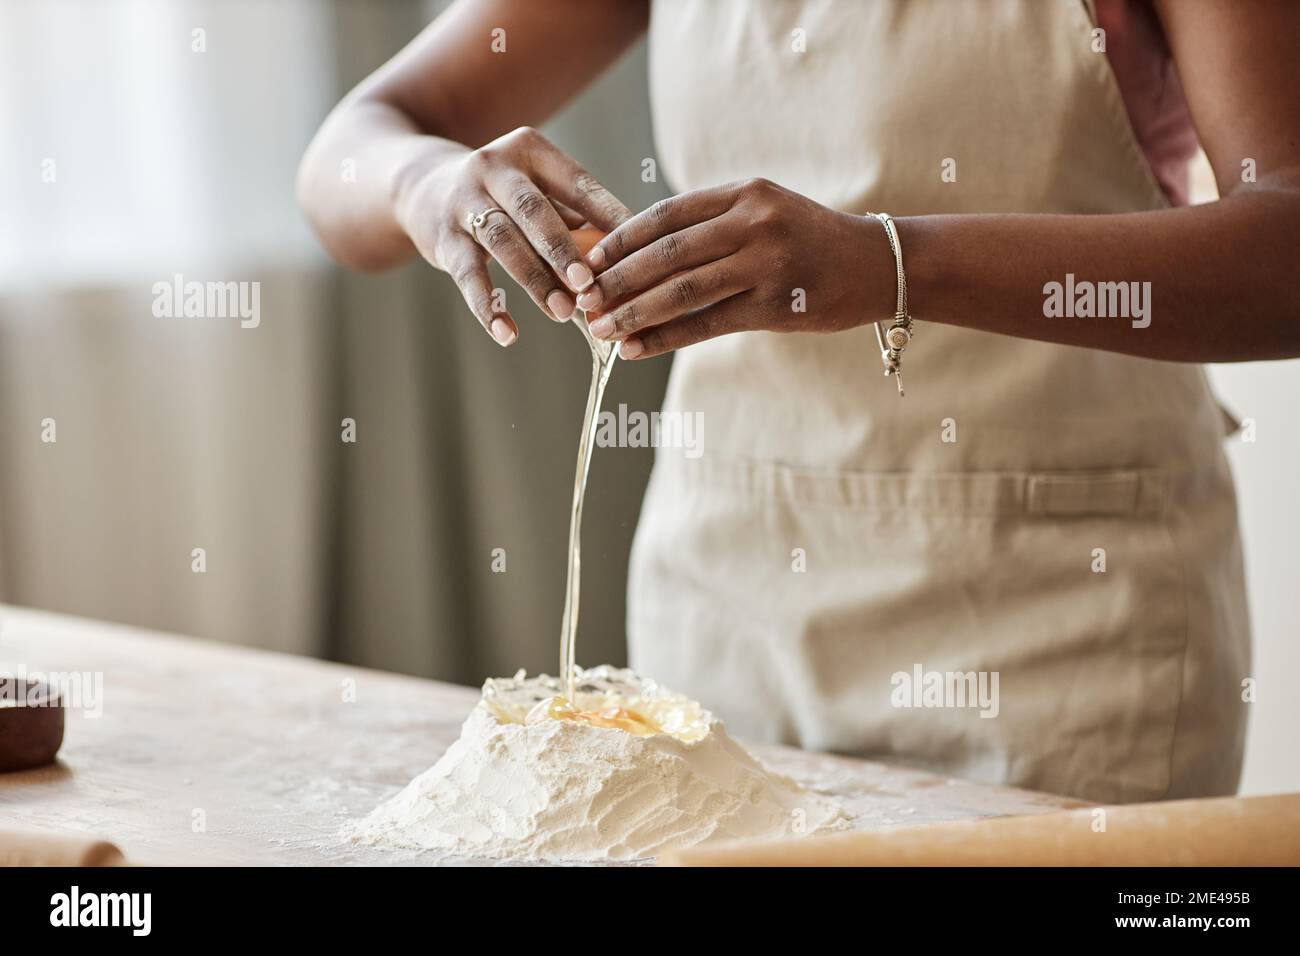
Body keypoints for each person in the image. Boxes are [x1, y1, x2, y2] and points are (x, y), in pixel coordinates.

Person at [298, 0, 1300, 803]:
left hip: (1061, 642)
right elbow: (346, 151)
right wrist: (422, 181)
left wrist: (892, 263)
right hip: (729, 620)